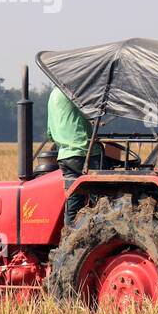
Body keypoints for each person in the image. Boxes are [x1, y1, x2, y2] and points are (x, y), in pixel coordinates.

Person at [47, 86, 92, 228]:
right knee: (104, 194)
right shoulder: (74, 93)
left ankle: (70, 233)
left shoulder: (54, 94)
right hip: (83, 151)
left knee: (73, 199)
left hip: (65, 156)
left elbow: (49, 132)